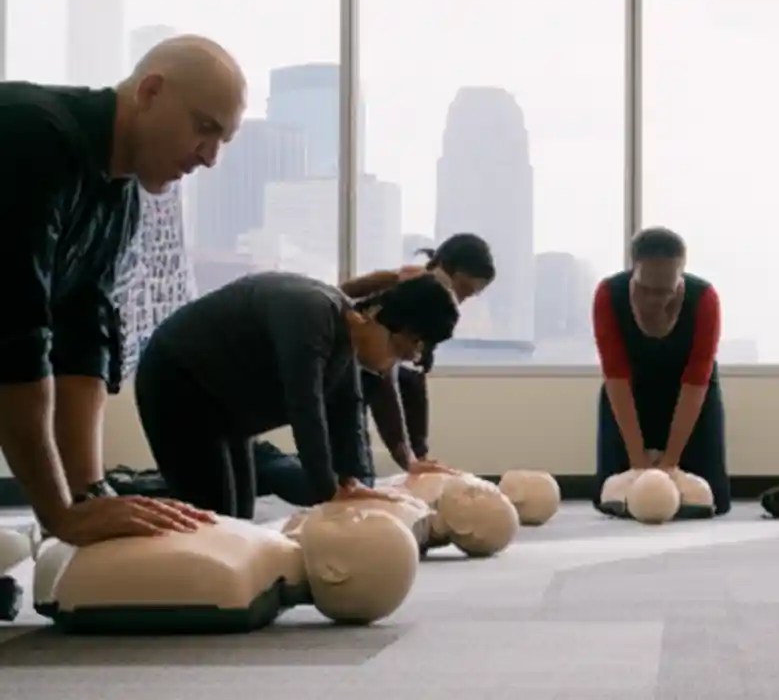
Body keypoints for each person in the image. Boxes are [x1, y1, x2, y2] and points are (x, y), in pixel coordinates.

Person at [0, 35, 246, 545]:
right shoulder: (31, 135)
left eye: (224, 141)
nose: (210, 158)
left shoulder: (122, 199)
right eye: (205, 129)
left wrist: (90, 497)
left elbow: (83, 340)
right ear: (150, 92)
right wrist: (59, 515)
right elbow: (14, 338)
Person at [133, 271, 461, 520]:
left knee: (238, 519)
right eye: (401, 351)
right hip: (177, 383)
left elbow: (348, 417)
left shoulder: (347, 341)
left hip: (227, 414)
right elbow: (306, 409)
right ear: (385, 319)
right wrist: (329, 493)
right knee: (213, 522)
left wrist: (357, 487)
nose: (393, 363)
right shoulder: (312, 316)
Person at [250, 233, 495, 496]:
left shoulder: (430, 319)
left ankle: (262, 462)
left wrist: (413, 458)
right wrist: (328, 486)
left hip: (348, 385)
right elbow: (340, 298)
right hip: (317, 377)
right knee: (325, 480)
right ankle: (256, 461)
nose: (461, 298)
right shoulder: (396, 296)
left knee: (357, 481)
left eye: (471, 294)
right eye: (463, 288)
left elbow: (401, 381)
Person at [592, 227, 730, 515]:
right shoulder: (608, 295)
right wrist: (639, 462)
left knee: (708, 499)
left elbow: (697, 379)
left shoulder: (704, 299)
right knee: (616, 497)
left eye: (666, 290)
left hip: (690, 394)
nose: (656, 299)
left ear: (681, 273)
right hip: (631, 391)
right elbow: (616, 375)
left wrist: (670, 462)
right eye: (647, 290)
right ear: (634, 270)